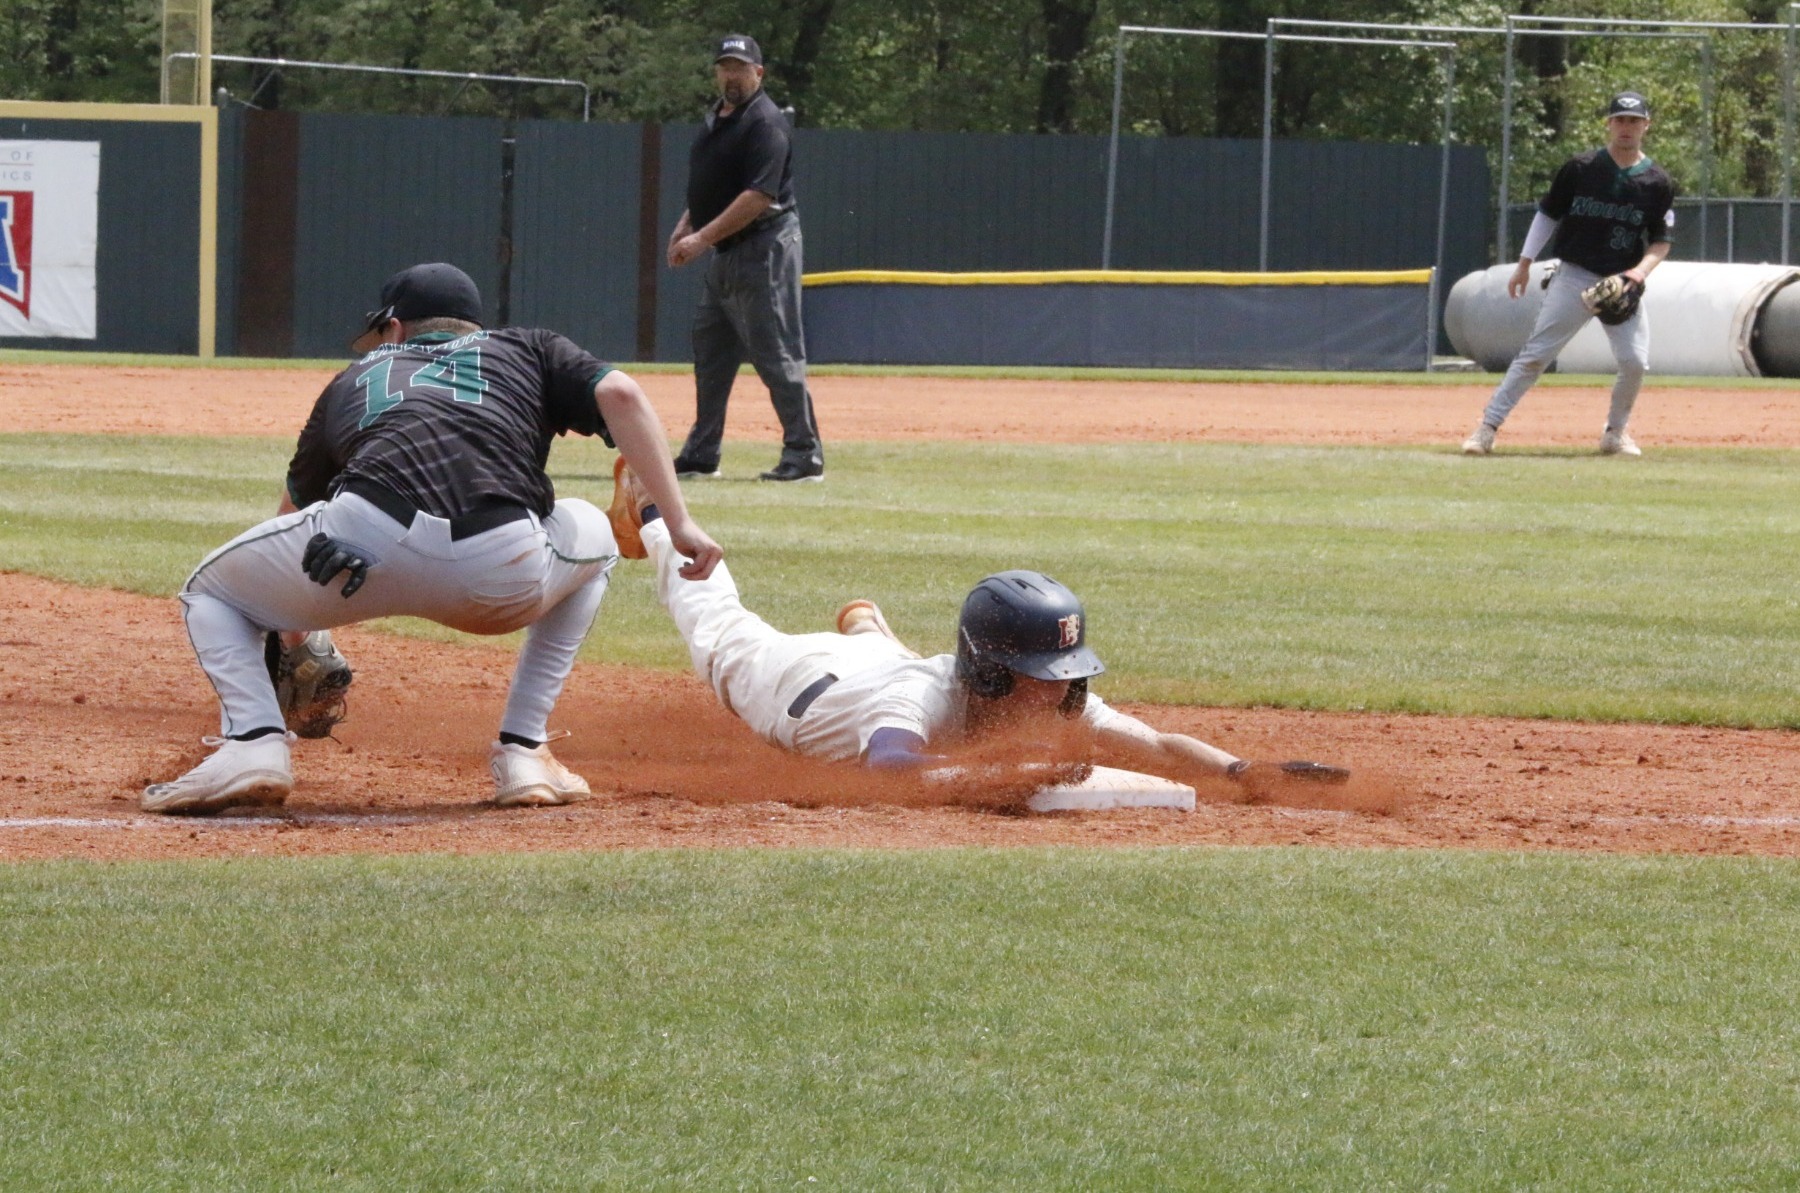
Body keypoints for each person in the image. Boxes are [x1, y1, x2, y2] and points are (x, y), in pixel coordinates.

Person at [141, 262, 723, 815]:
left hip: (359, 551)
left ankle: (254, 742)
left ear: (393, 328)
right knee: (591, 535)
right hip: (502, 570)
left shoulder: (352, 378)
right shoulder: (526, 347)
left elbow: (291, 513)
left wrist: (296, 638)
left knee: (211, 593)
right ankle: (524, 752)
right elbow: (621, 396)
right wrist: (679, 523)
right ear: (477, 328)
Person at [606, 460, 1319, 790]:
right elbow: (891, 767)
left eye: (1063, 677)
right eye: (1037, 678)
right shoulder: (917, 705)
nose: (1055, 694)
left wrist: (1240, 769)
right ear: (986, 669)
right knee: (715, 616)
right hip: (794, 684)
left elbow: (1159, 744)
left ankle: (870, 631)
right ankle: (648, 508)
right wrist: (1001, 768)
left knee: (895, 657)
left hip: (884, 669)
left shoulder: (1053, 692)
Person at [1462, 91, 1676, 458]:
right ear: (1609, 124)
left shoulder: (1657, 182)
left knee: (1635, 362)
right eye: (1620, 120)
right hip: (1575, 275)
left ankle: (1615, 433)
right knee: (1535, 356)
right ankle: (1486, 429)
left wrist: (1638, 275)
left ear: (1646, 125)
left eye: (1634, 121)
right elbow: (1548, 214)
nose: (1627, 127)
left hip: (1621, 282)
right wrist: (1525, 263)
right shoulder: (1580, 167)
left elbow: (1661, 240)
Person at [666, 33, 826, 483]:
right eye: (725, 66)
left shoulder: (765, 123)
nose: (731, 74)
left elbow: (758, 196)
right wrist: (687, 225)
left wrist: (700, 240)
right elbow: (715, 183)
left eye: (740, 67)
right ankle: (702, 452)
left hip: (765, 245)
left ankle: (804, 454)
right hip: (727, 250)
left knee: (775, 351)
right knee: (711, 349)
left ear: (759, 72)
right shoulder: (719, 118)